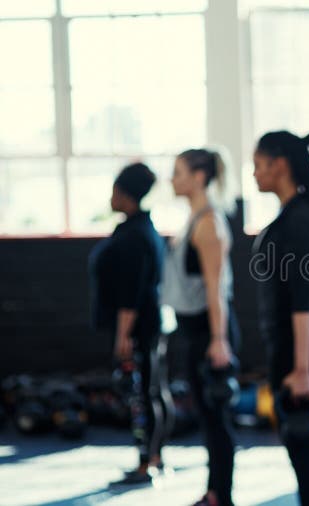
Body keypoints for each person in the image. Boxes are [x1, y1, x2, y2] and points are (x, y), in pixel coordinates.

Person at [250, 130, 309, 506]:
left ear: (280, 165)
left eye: (258, 165)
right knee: (304, 443)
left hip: (303, 346)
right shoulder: (294, 215)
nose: (254, 174)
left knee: (301, 441)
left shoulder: (300, 220)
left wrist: (302, 368)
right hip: (296, 343)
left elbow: (305, 296)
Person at [162, 148, 241, 506]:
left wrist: (219, 340)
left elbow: (216, 289)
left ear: (198, 177)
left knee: (216, 418)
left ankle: (220, 496)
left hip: (211, 334)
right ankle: (214, 492)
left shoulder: (209, 223)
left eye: (178, 172)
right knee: (208, 418)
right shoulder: (194, 218)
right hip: (195, 330)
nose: (172, 179)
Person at [88, 162, 172, 486]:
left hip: (139, 327)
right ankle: (154, 458)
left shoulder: (136, 235)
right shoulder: (139, 228)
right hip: (149, 324)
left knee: (143, 395)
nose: (111, 197)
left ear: (124, 194)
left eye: (114, 191)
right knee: (153, 390)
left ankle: (145, 464)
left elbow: (131, 291)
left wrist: (123, 334)